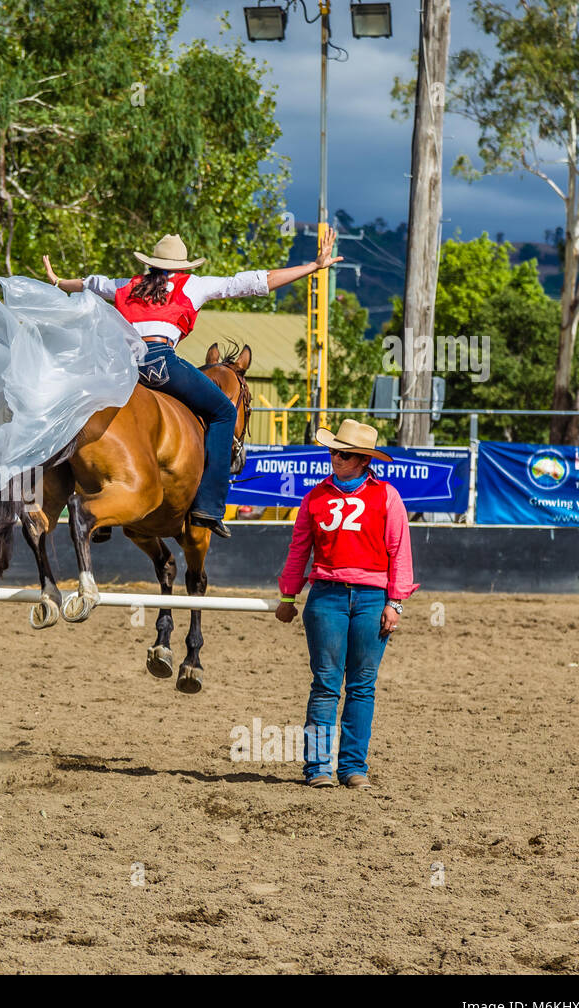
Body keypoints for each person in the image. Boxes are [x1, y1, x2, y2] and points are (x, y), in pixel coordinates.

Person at [43, 229, 342, 537]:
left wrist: (57, 282)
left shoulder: (125, 285)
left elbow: (88, 284)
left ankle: (93, 496)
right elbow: (253, 282)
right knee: (225, 412)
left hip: (122, 368)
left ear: (151, 264)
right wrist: (313, 266)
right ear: (182, 267)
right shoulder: (193, 286)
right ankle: (209, 507)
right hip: (161, 364)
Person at [274, 418, 418, 790]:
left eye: (346, 454)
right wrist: (288, 595)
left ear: (363, 460)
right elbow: (298, 550)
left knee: (361, 685)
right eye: (335, 451)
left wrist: (396, 602)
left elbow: (399, 551)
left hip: (373, 600)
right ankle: (318, 769)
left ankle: (354, 768)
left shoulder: (387, 496)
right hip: (326, 597)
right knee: (325, 684)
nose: (337, 458)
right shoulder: (315, 498)